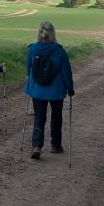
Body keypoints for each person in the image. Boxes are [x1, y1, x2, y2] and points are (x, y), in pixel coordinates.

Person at [24, 21, 74, 160]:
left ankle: (37, 146)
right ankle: (55, 145)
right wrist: (70, 88)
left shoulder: (33, 49)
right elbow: (66, 71)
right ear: (53, 33)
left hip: (37, 89)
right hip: (56, 90)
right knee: (56, 116)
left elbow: (29, 69)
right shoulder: (59, 51)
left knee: (39, 117)